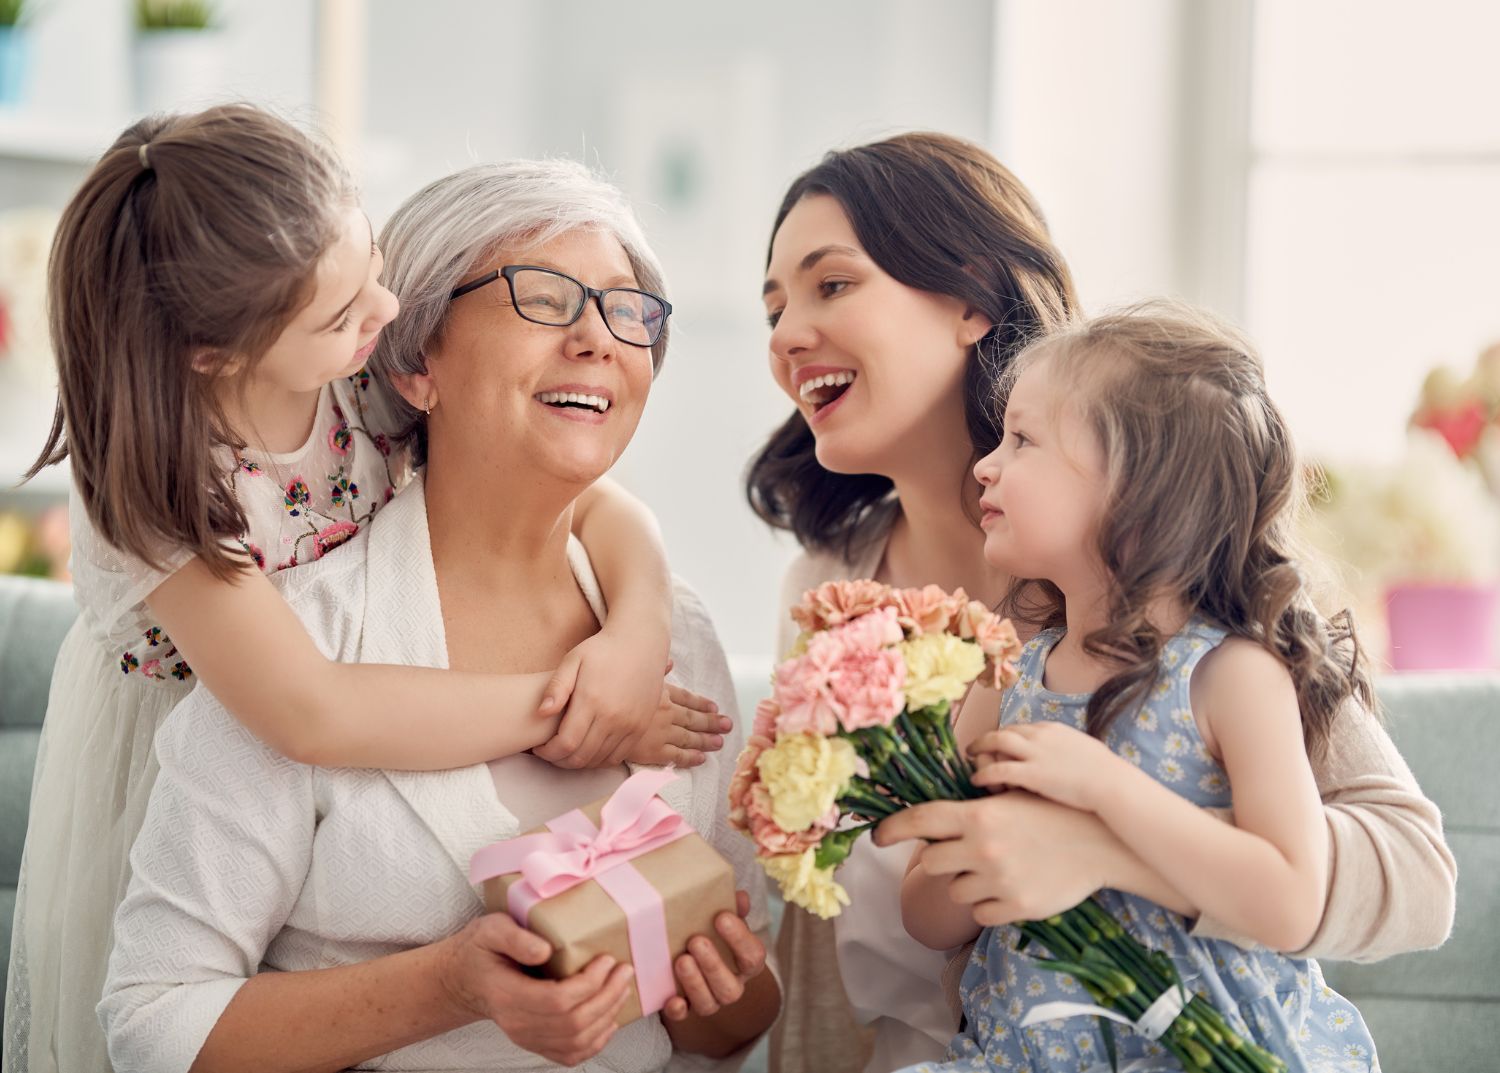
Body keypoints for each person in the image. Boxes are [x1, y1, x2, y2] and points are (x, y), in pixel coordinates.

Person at [7, 107, 723, 1073]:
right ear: (216, 353)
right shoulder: (166, 505)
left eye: (376, 275)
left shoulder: (350, 369)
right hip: (220, 693)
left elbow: (598, 497)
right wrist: (570, 712)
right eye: (345, 315)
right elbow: (314, 710)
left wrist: (634, 638)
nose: (379, 317)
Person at [748, 132, 1454, 1073]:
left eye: (831, 285)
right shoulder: (830, 592)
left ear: (970, 299)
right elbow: (850, 938)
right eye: (774, 306)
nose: (787, 334)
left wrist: (1096, 843)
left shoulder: (1180, 598)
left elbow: (1416, 878)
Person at [895, 302, 1378, 1071]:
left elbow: (1290, 899)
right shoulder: (1005, 675)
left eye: (1023, 440)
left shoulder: (1232, 677)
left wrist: (1101, 792)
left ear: (1138, 491)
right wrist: (980, 849)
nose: (987, 463)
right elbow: (924, 915)